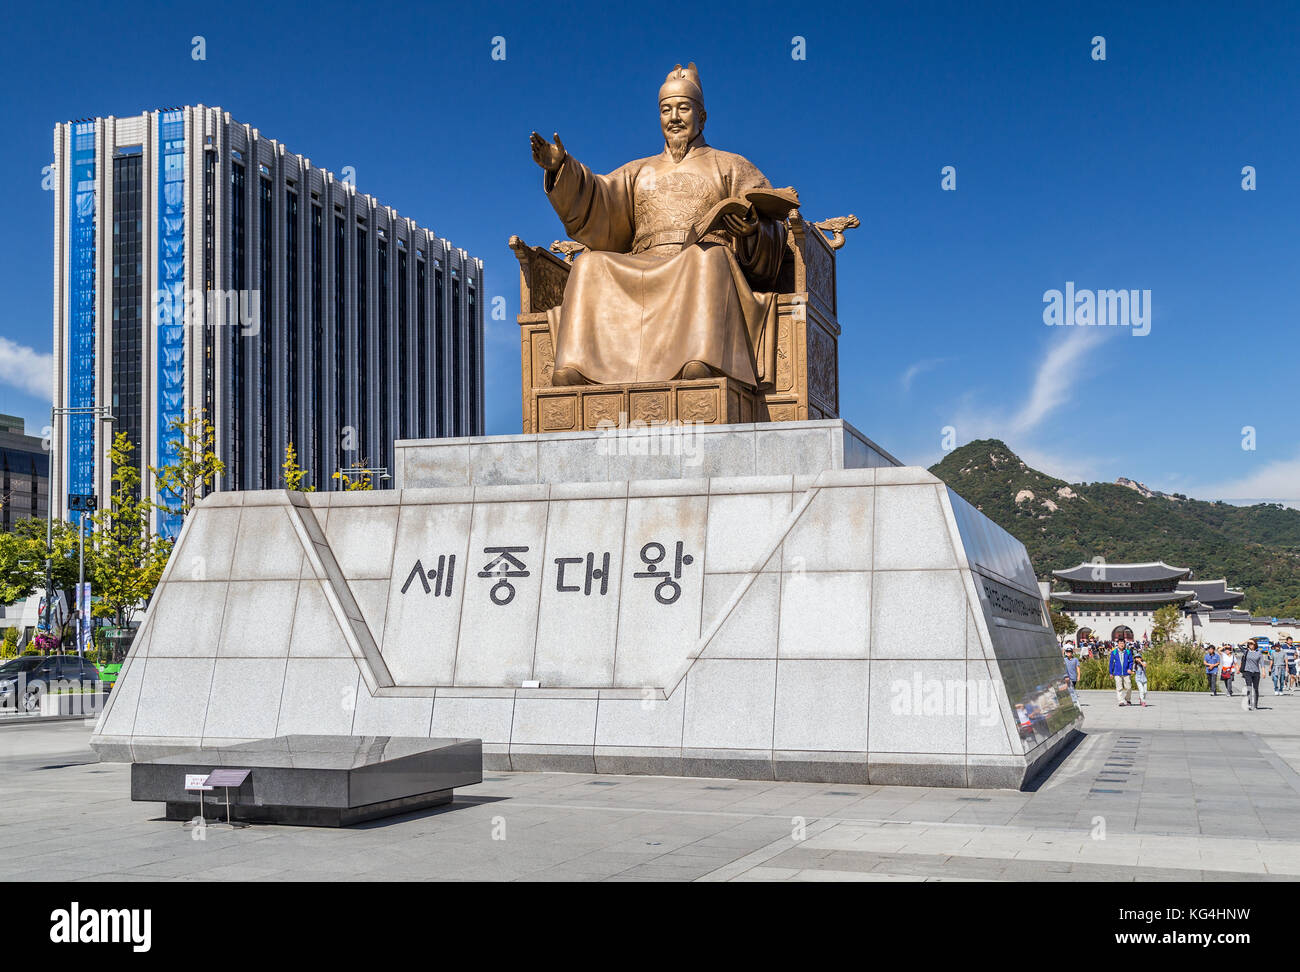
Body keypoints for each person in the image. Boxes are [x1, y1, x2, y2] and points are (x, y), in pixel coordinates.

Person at [1109, 640, 1134, 706]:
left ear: (1125, 644)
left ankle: (1127, 699)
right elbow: (1111, 663)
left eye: (1123, 643)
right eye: (1120, 643)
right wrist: (1111, 672)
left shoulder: (1128, 652)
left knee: (1129, 687)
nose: (1121, 644)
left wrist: (1129, 668)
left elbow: (1131, 661)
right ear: (1118, 644)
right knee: (1119, 688)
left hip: (1126, 672)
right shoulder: (1114, 652)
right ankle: (1120, 701)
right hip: (1117, 672)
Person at [1242, 639, 1264, 710]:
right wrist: (1247, 641)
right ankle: (1249, 704)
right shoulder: (1246, 652)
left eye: (1252, 644)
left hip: (1256, 672)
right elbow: (1239, 645)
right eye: (1249, 644)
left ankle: (1255, 704)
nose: (1250, 645)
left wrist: (1263, 672)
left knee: (1256, 689)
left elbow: (1262, 663)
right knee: (1249, 687)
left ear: (1255, 645)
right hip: (1247, 672)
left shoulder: (1259, 653)